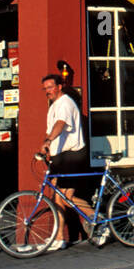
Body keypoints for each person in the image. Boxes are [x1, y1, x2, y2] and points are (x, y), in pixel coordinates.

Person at [41, 74, 100, 249]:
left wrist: (48, 140)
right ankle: (59, 238)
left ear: (59, 86)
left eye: (50, 87)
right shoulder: (54, 106)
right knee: (57, 197)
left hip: (72, 155)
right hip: (60, 156)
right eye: (45, 89)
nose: (47, 91)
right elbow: (50, 129)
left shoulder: (65, 103)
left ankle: (98, 220)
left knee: (66, 198)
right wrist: (46, 147)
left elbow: (60, 124)